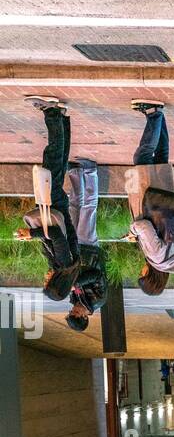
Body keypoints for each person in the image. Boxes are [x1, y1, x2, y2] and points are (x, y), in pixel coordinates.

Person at [15, 96, 80, 302]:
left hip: (57, 208)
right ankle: (51, 112)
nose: (45, 278)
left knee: (58, 163)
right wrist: (31, 234)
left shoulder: (67, 265)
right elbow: (56, 235)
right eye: (47, 282)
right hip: (54, 207)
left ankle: (60, 117)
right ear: (56, 282)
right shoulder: (64, 263)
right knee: (52, 159)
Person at [123, 100, 174, 297]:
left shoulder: (170, 257)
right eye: (142, 275)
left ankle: (159, 117)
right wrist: (132, 231)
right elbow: (144, 227)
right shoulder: (156, 257)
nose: (140, 271)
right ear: (149, 276)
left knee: (161, 158)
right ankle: (154, 114)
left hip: (165, 202)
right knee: (142, 158)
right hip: (151, 201)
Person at [65, 158, 107, 332]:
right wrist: (76, 283)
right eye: (75, 313)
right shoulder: (98, 300)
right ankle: (90, 172)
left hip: (75, 250)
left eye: (70, 312)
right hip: (90, 251)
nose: (73, 309)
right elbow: (97, 276)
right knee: (88, 208)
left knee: (74, 207)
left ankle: (75, 173)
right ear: (83, 316)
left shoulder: (75, 298)